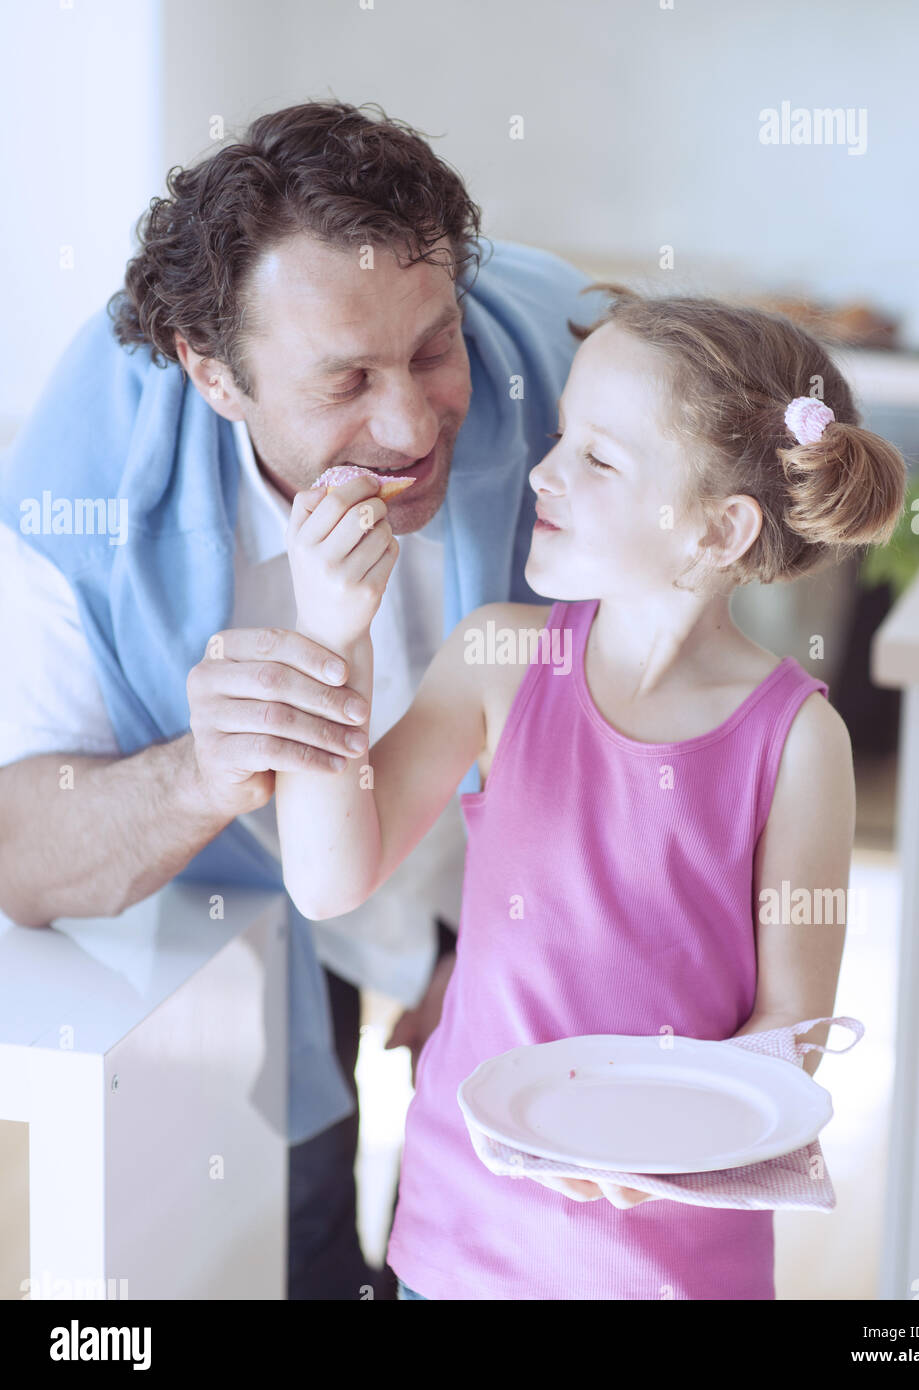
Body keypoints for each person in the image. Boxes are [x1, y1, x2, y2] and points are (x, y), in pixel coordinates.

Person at [0, 99, 610, 1298]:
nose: (410, 424)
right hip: (258, 909)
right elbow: (16, 848)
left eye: (433, 347)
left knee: (496, 1238)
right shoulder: (80, 481)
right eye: (346, 380)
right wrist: (200, 768)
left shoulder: (566, 364)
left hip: (506, 873)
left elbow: (646, 707)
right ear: (211, 370)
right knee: (294, 1236)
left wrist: (501, 948)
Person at [274, 288, 907, 1299]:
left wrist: (646, 1149)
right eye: (562, 435)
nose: (542, 469)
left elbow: (790, 1033)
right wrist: (331, 633)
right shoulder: (498, 658)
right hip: (461, 1237)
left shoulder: (799, 743)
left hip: (670, 1266)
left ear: (718, 531)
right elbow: (326, 875)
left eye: (597, 458)